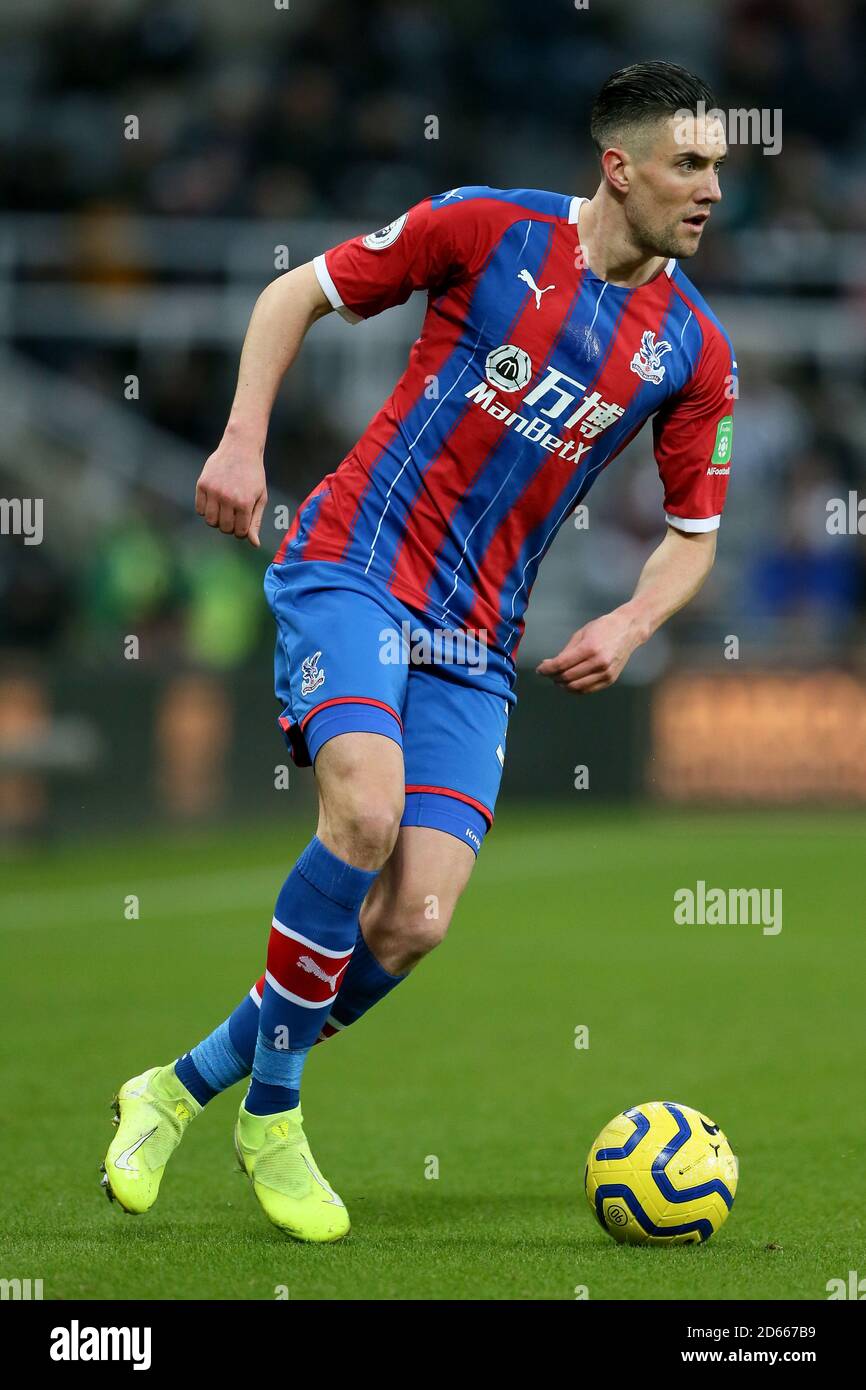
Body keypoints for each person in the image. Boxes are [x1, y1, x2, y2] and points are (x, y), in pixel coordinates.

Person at [102, 61, 736, 1242]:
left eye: (715, 164)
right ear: (619, 166)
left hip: (475, 637)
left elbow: (695, 535)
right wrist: (241, 443)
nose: (710, 188)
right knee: (363, 811)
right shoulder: (481, 229)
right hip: (353, 562)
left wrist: (629, 620)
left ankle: (178, 1085)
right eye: (688, 164)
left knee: (412, 921)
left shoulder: (692, 351)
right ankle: (273, 1117)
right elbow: (292, 293)